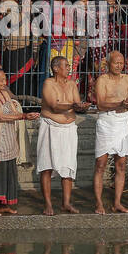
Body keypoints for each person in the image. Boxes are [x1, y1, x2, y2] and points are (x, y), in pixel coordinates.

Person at [37, 55, 88, 215]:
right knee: (47, 166)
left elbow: (76, 104)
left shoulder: (72, 84)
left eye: (69, 65)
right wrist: (73, 105)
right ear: (56, 68)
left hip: (69, 129)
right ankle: (48, 204)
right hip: (50, 127)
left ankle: (66, 203)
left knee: (68, 166)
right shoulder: (48, 83)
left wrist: (82, 107)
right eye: (65, 65)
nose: (69, 68)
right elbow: (54, 106)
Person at [0, 68, 36, 215]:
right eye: (2, 80)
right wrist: (23, 116)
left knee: (7, 170)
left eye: (5, 79)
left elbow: (12, 112)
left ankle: (3, 203)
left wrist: (26, 115)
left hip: (9, 137)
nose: (5, 83)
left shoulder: (4, 93)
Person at [91, 50, 128, 215]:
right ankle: (99, 203)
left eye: (121, 63)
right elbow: (101, 104)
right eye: (116, 63)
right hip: (106, 123)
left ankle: (117, 202)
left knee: (121, 165)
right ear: (108, 64)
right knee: (101, 164)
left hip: (122, 123)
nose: (119, 66)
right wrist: (120, 104)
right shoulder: (102, 80)